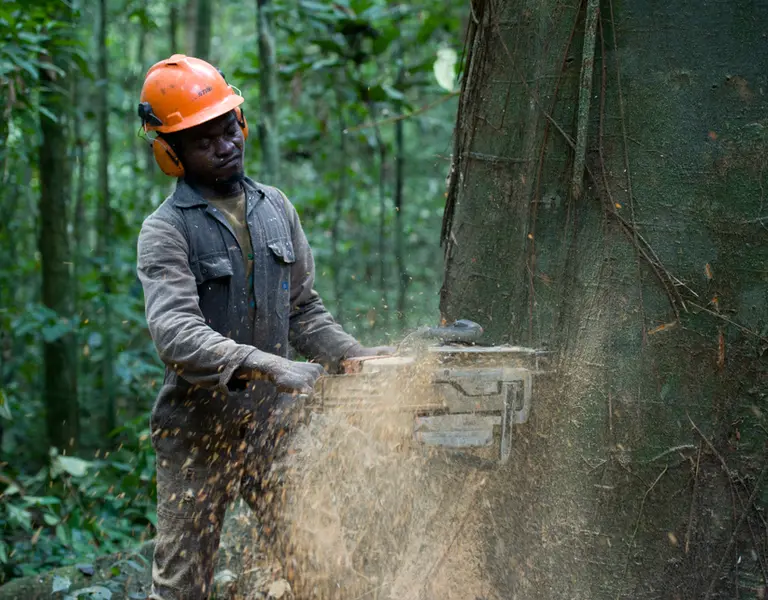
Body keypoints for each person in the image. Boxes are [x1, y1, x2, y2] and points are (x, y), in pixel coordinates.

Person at [135, 54, 391, 600]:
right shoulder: (165, 231)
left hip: (276, 428)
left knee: (322, 571)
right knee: (182, 585)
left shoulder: (276, 208)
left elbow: (302, 309)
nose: (225, 145)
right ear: (170, 153)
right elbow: (175, 333)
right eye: (204, 140)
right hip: (197, 431)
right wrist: (267, 365)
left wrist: (353, 355)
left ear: (242, 122)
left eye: (229, 128)